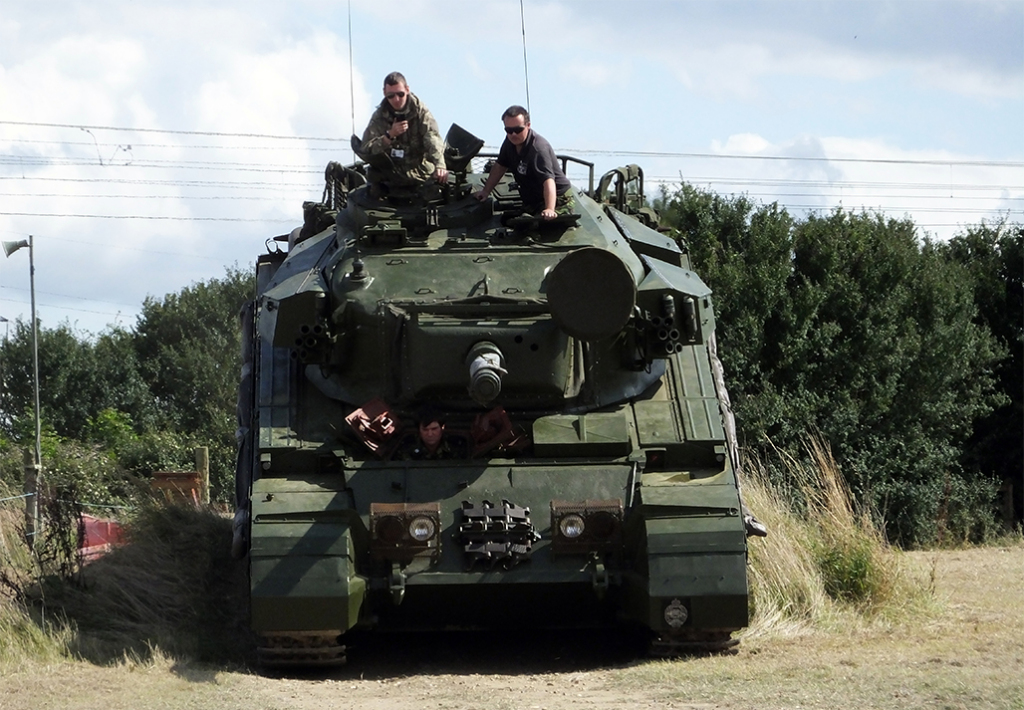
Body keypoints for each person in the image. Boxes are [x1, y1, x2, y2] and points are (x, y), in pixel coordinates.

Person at [474, 105, 574, 220]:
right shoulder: (510, 142)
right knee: (509, 220)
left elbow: (548, 180)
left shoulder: (538, 148)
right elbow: (500, 166)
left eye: (518, 130)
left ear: (528, 125)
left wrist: (550, 209)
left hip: (558, 199)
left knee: (533, 229)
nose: (513, 134)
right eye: (509, 130)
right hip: (533, 200)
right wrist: (486, 191)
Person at [360, 72, 448, 192]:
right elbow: (365, 149)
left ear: (407, 90)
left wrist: (440, 165)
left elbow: (432, 137)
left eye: (400, 94)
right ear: (384, 93)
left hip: (419, 172)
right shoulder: (379, 117)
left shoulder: (420, 112)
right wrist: (389, 136)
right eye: (391, 96)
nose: (396, 100)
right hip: (389, 177)